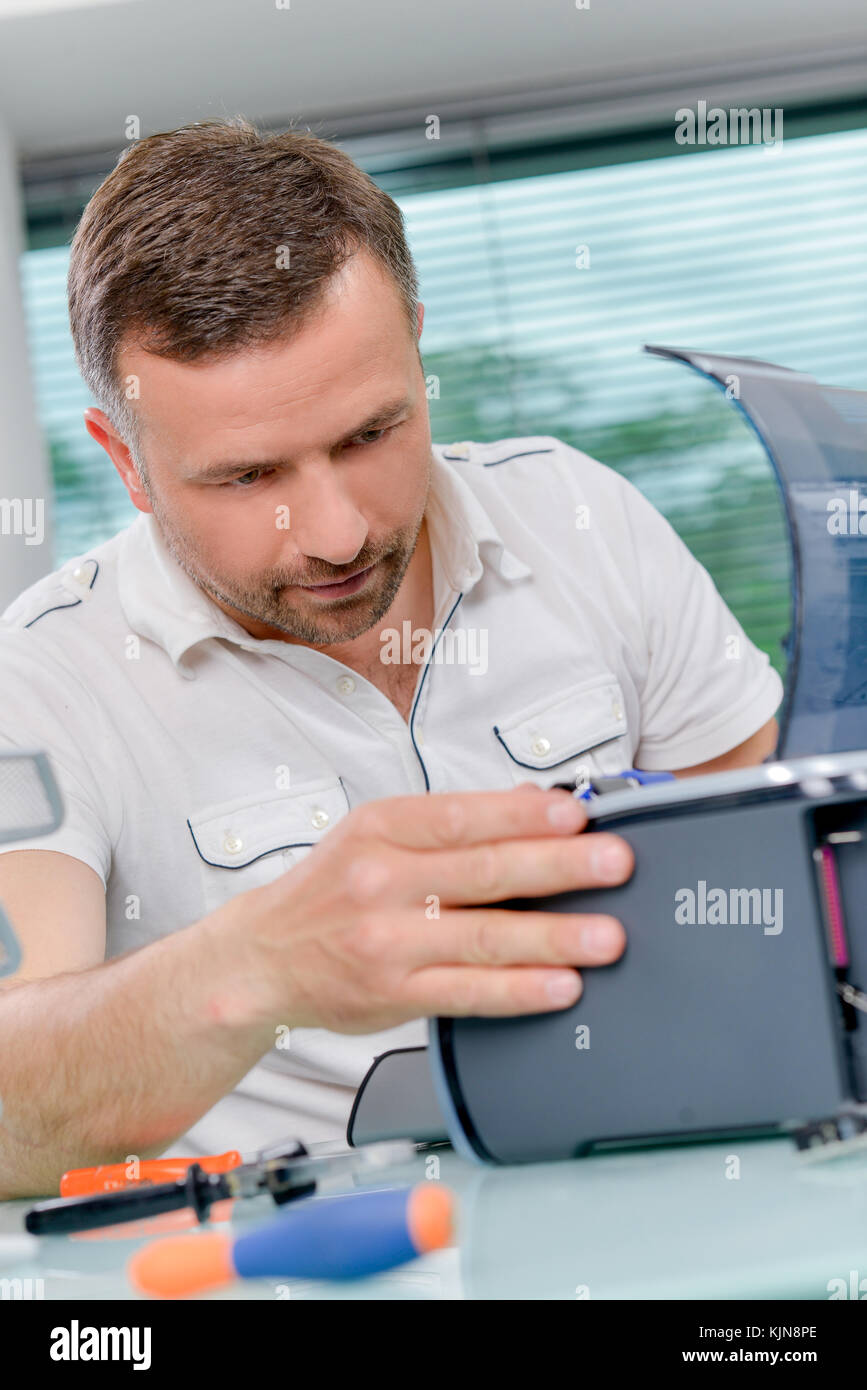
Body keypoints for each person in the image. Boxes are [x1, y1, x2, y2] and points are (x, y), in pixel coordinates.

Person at [0, 120, 781, 1196]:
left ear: (417, 344)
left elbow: (783, 900)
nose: (334, 532)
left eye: (370, 434)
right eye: (246, 477)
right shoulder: (37, 685)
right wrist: (253, 967)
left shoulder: (581, 514)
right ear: (124, 461)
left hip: (661, 1199)